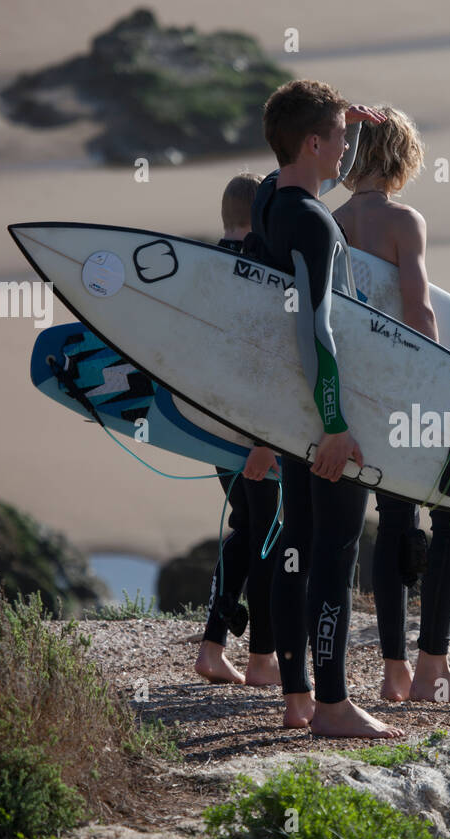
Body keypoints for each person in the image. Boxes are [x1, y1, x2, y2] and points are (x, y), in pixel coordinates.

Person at [332, 106, 450, 705]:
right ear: (401, 159)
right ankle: (434, 670)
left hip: (358, 395)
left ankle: (392, 670)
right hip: (408, 390)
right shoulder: (405, 220)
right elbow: (419, 309)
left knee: (394, 521)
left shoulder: (329, 221)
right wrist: (439, 383)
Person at [251, 80, 404, 738]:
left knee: (296, 546)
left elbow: (280, 161)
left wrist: (344, 115)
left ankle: (297, 697)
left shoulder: (270, 205)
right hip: (323, 409)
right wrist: (337, 425)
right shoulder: (314, 224)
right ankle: (335, 705)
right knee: (334, 553)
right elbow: (317, 328)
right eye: (341, 139)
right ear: (314, 144)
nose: (348, 150)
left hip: (288, 407)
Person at [194, 172, 284, 687]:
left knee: (246, 529)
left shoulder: (206, 266)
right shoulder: (258, 268)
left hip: (211, 425)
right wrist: (263, 440)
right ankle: (262, 660)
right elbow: (260, 361)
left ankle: (212, 647)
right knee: (269, 533)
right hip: (252, 431)